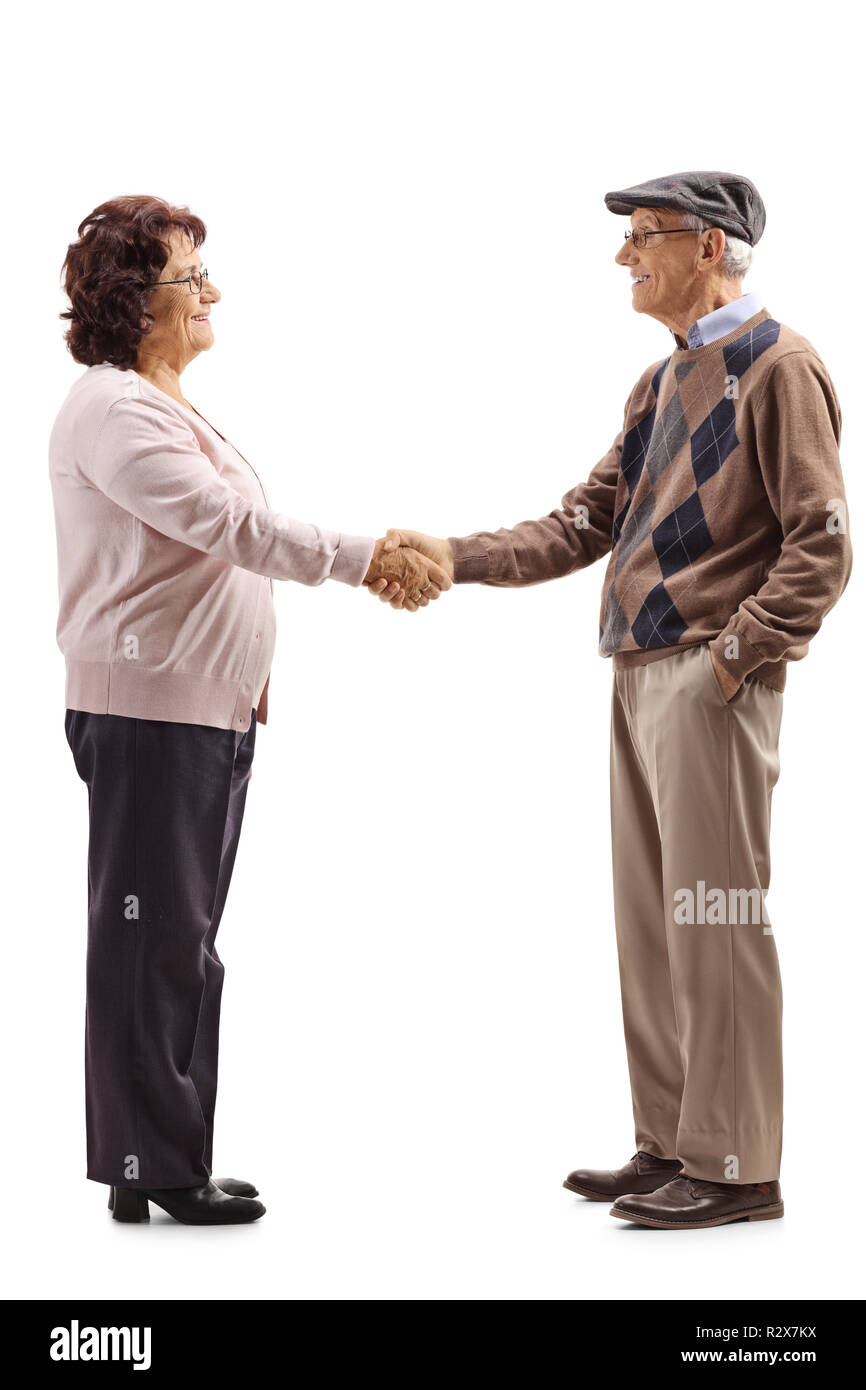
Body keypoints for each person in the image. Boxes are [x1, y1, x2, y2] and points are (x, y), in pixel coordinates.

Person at [368, 171, 853, 1229]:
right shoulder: (657, 384)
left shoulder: (778, 366)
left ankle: (735, 1167)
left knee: (713, 917)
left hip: (706, 679)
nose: (623, 258)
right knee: (653, 922)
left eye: (643, 238)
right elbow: (584, 520)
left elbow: (821, 541)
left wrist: (738, 656)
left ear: (711, 246)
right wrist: (453, 556)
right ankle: (672, 1142)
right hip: (638, 673)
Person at [51, 195, 451, 1226]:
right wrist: (365, 558)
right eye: (191, 279)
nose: (211, 291)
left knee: (172, 939)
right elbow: (223, 522)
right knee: (155, 939)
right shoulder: (112, 408)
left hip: (198, 714)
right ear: (137, 300)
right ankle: (154, 1165)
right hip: (155, 718)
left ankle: (152, 1160)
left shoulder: (153, 401)